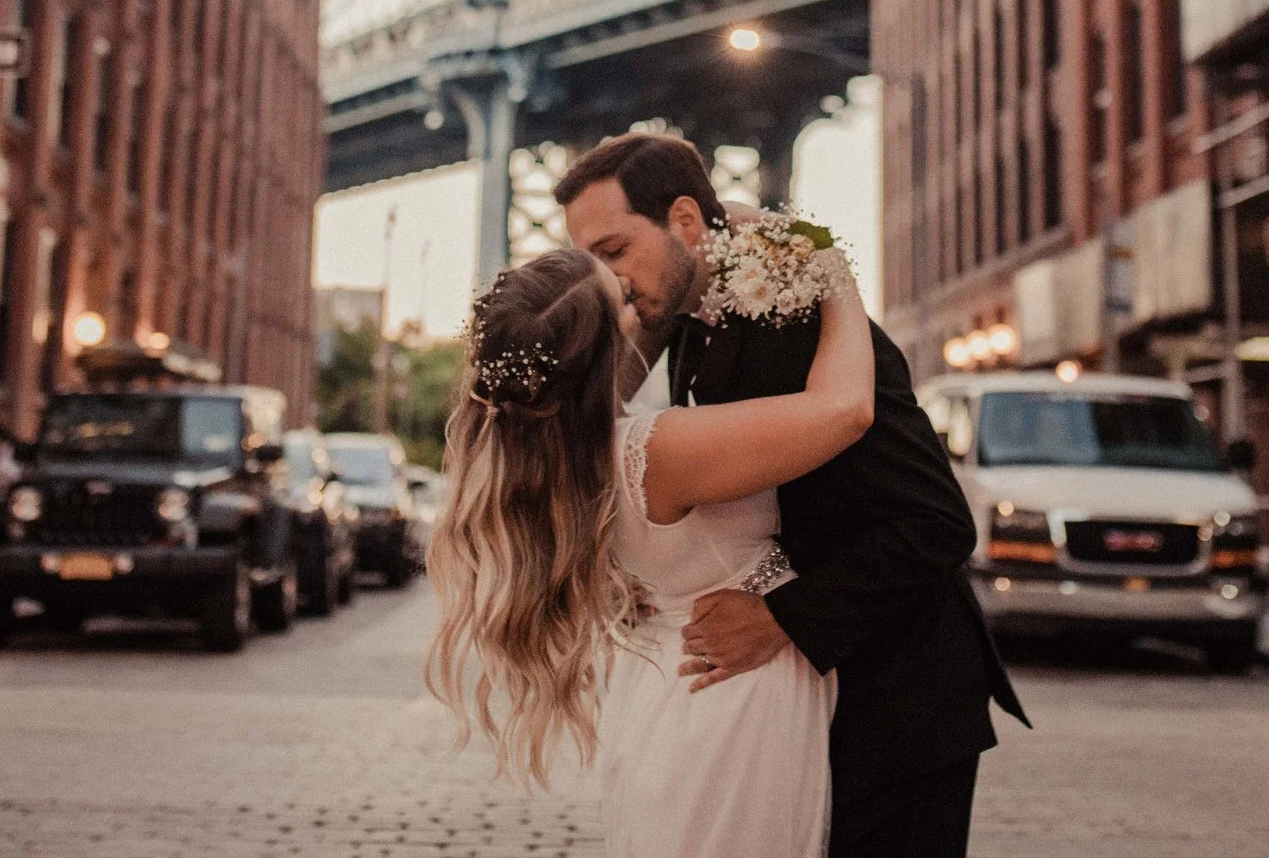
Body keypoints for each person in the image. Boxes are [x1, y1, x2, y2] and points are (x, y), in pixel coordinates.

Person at [555, 133, 1024, 858]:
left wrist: (780, 617)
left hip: (896, 700)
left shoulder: (800, 321)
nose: (607, 278)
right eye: (592, 260)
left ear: (684, 221)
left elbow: (936, 521)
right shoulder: (684, 321)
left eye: (615, 249)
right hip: (803, 708)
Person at [426, 237, 875, 858]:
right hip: (727, 702)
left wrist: (609, 311)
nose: (641, 307)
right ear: (609, 345)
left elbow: (601, 374)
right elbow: (846, 410)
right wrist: (831, 266)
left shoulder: (560, 454)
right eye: (624, 302)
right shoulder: (656, 451)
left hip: (670, 692)